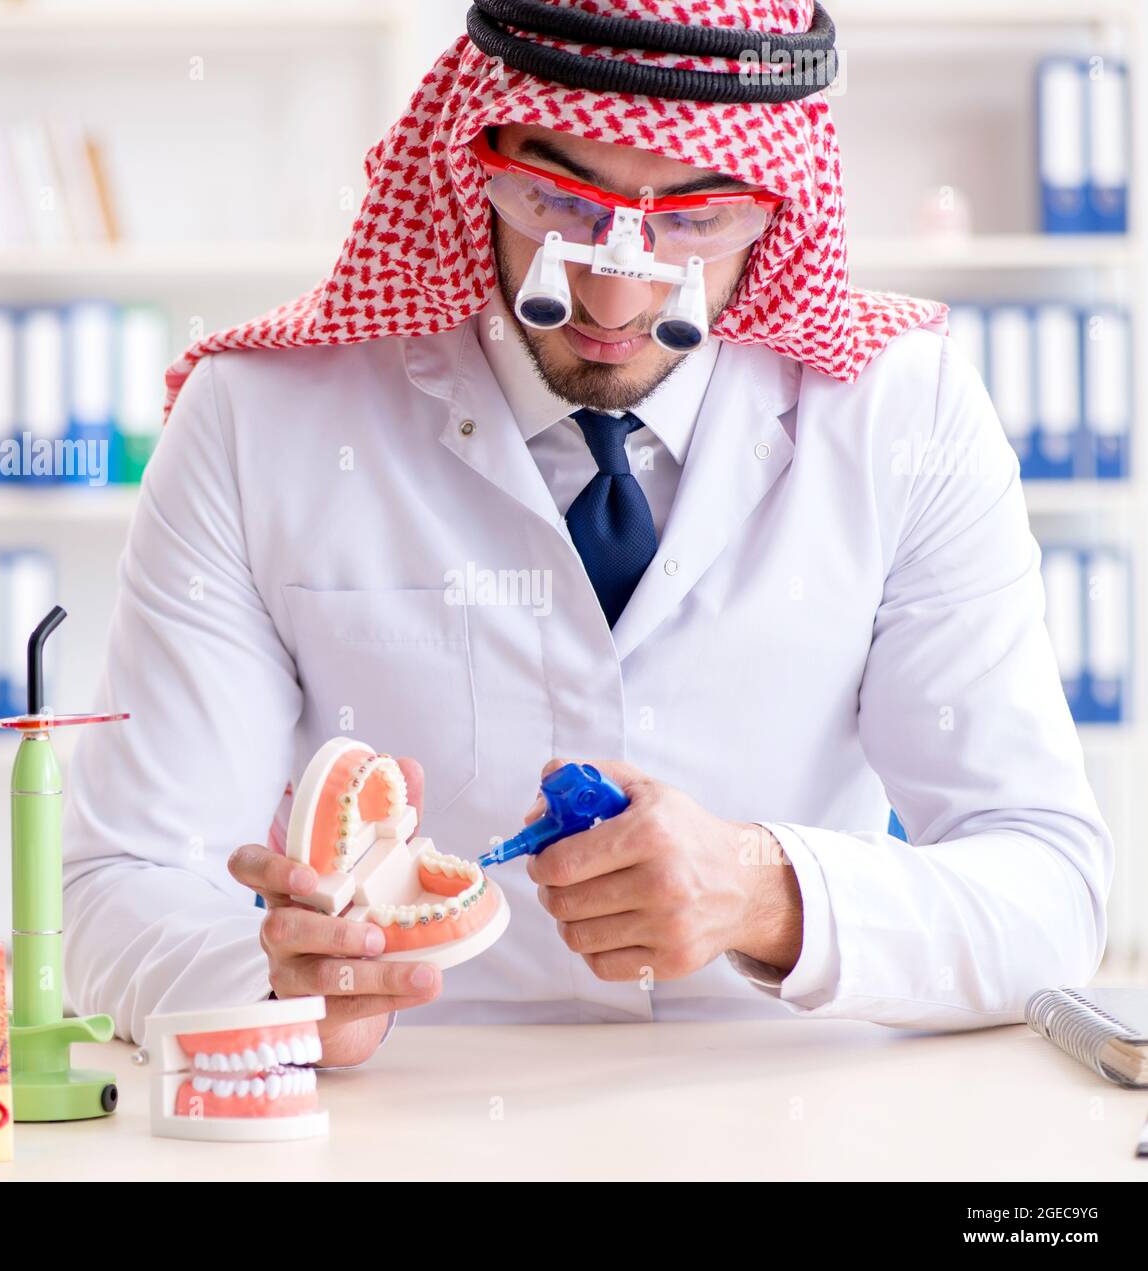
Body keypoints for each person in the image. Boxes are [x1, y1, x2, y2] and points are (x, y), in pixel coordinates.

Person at [62, 0, 1111, 1068]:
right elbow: (121, 889)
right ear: (481, 155)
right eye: (557, 202)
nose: (612, 294)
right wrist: (275, 987)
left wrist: (764, 892)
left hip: (786, 1118)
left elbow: (1046, 888)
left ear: (775, 199)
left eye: (693, 221)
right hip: (406, 1122)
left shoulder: (904, 414)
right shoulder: (263, 420)